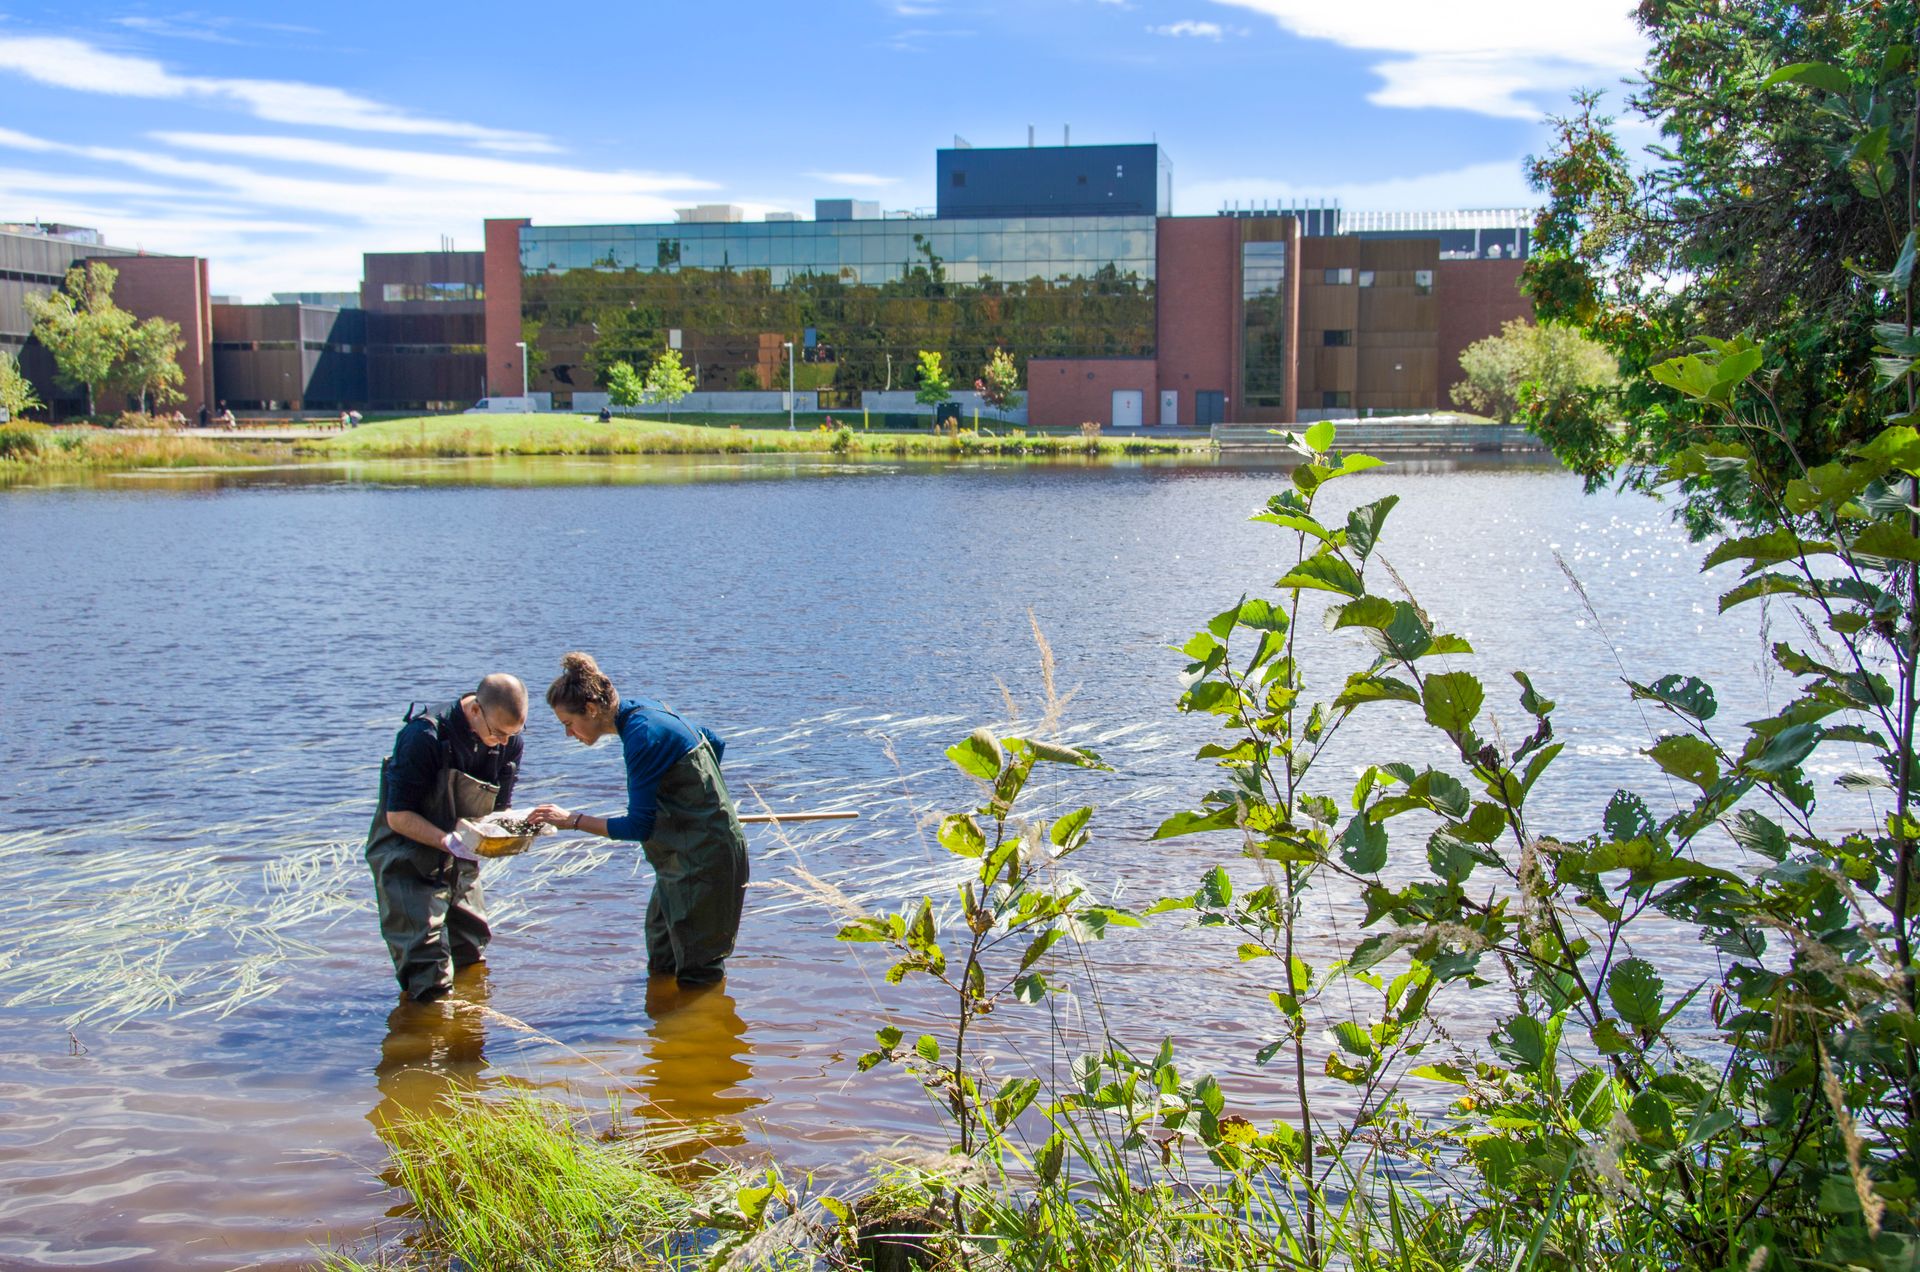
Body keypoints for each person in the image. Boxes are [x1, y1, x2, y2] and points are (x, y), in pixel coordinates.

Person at [528, 653, 748, 986]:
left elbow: (638, 827)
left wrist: (571, 820)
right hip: (679, 861)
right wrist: (695, 801)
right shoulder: (646, 711)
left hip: (705, 862)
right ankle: (661, 1030)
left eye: (567, 724)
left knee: (697, 972)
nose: (568, 734)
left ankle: (695, 1027)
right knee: (662, 958)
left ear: (590, 708)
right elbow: (713, 741)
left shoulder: (642, 737)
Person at [365, 675, 528, 1002]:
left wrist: (517, 831)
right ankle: (426, 1032)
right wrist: (445, 841)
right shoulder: (423, 737)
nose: (501, 743)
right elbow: (397, 817)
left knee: (471, 951)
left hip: (460, 856)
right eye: (497, 733)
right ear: (476, 711)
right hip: (407, 856)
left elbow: (499, 809)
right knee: (427, 970)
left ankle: (468, 1036)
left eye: (511, 735)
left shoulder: (509, 740)